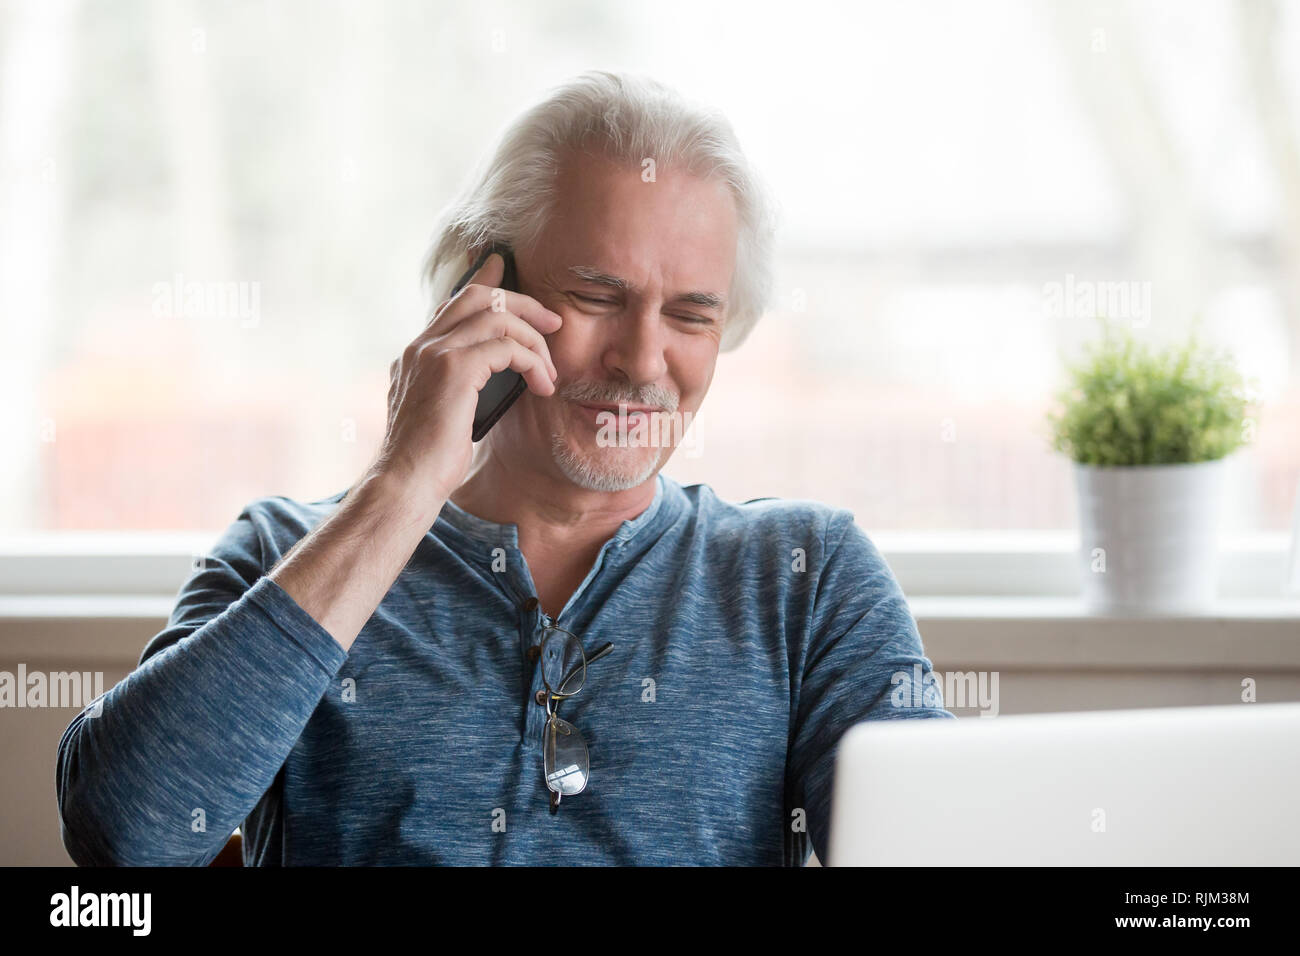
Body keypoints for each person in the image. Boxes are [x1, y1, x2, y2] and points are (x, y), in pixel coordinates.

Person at [55, 70, 953, 867]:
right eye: (597, 295)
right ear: (479, 292)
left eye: (689, 315)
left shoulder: (804, 576)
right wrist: (403, 483)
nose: (644, 361)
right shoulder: (288, 553)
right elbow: (128, 839)